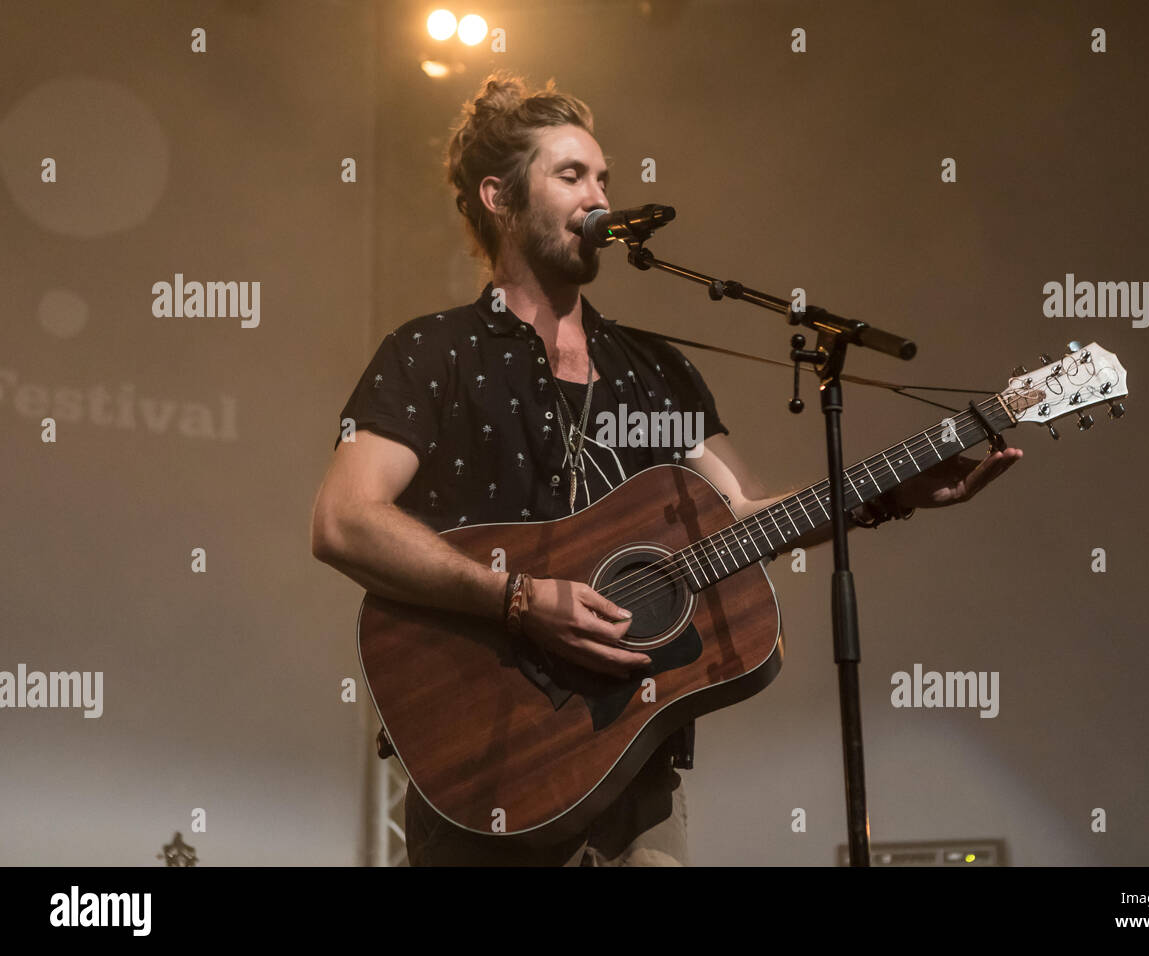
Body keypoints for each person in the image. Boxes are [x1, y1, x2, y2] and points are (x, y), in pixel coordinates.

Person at [310, 71, 1023, 867]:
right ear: (499, 198)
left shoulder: (651, 371)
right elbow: (344, 520)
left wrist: (882, 496)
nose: (599, 196)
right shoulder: (433, 354)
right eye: (571, 175)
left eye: (604, 178)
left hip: (635, 778)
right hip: (488, 761)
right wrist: (519, 599)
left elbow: (739, 519)